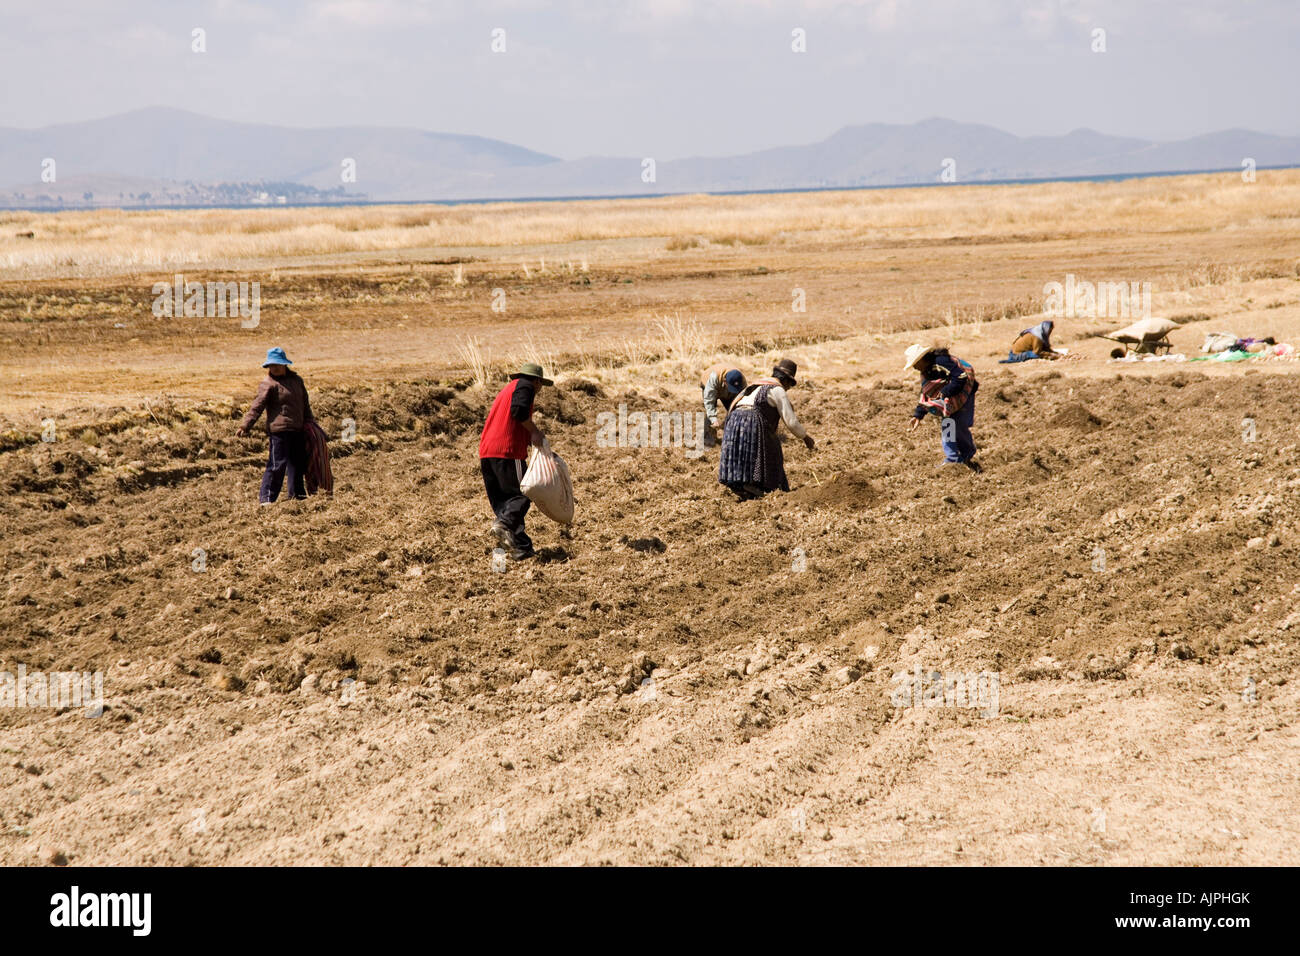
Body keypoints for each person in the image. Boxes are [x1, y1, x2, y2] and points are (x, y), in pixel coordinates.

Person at [479, 362, 551, 560]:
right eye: (541, 384)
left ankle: (518, 551)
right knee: (524, 492)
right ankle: (504, 527)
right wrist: (535, 431)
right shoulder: (525, 385)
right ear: (536, 380)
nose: (540, 389)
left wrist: (530, 438)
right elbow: (519, 412)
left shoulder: (507, 390)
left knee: (506, 508)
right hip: (507, 452)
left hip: (487, 452)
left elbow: (510, 421)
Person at [718, 358, 814, 500]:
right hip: (752, 421)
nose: (788, 389)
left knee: (744, 453)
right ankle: (761, 485)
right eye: (789, 385)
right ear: (786, 381)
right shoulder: (777, 390)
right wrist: (805, 437)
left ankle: (741, 483)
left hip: (734, 421)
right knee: (771, 449)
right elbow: (791, 421)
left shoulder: (754, 386)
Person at [237, 347, 316, 503]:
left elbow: (305, 404)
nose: (275, 368)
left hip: (297, 429)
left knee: (298, 463)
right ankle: (267, 498)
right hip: (279, 431)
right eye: (272, 365)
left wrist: (310, 422)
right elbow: (257, 406)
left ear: (285, 365)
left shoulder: (297, 381)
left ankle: (297, 496)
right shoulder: (268, 384)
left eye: (278, 365)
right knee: (276, 464)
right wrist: (245, 425)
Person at [904, 344, 981, 473]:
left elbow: (961, 377)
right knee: (948, 423)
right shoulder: (926, 372)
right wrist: (918, 415)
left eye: (915, 364)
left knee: (960, 424)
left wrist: (945, 392)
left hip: (963, 392)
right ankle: (952, 458)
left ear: (921, 359)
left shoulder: (941, 361)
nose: (914, 367)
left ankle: (967, 454)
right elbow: (926, 392)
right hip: (948, 397)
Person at [700, 363, 746, 444]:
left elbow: (743, 398)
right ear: (725, 382)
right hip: (708, 383)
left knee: (735, 411)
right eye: (731, 388)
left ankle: (733, 436)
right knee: (710, 413)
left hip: (726, 388)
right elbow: (709, 401)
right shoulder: (713, 378)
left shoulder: (741, 381)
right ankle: (707, 437)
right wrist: (713, 419)